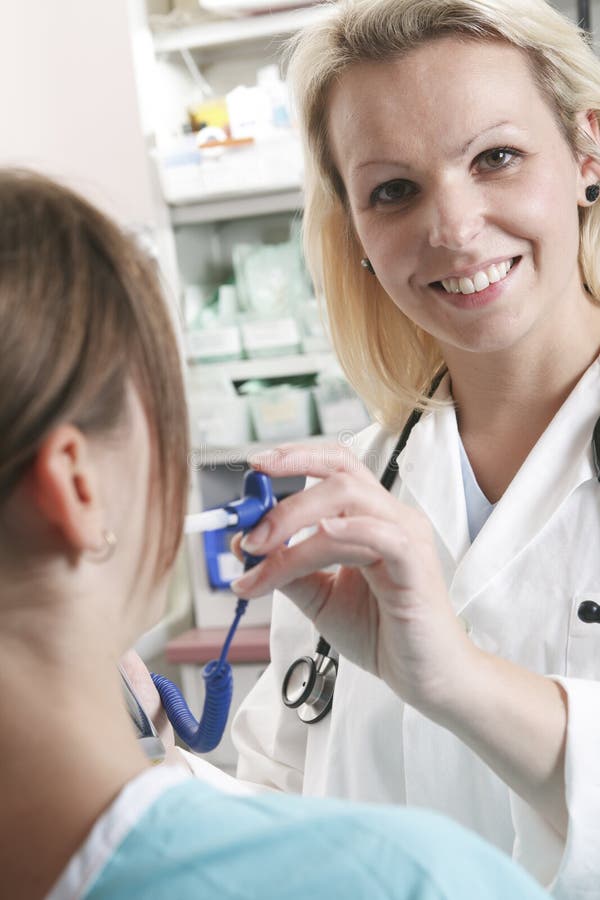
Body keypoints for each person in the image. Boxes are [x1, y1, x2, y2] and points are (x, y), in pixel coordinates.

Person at [0, 169, 551, 900]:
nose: (452, 228)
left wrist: (137, 755)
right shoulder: (417, 881)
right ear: (77, 487)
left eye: (496, 158)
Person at [229, 0, 600, 897]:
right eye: (394, 190)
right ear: (354, 227)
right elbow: (276, 801)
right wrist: (99, 750)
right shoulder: (354, 495)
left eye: (496, 158)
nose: (454, 227)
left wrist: (460, 681)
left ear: (589, 151)